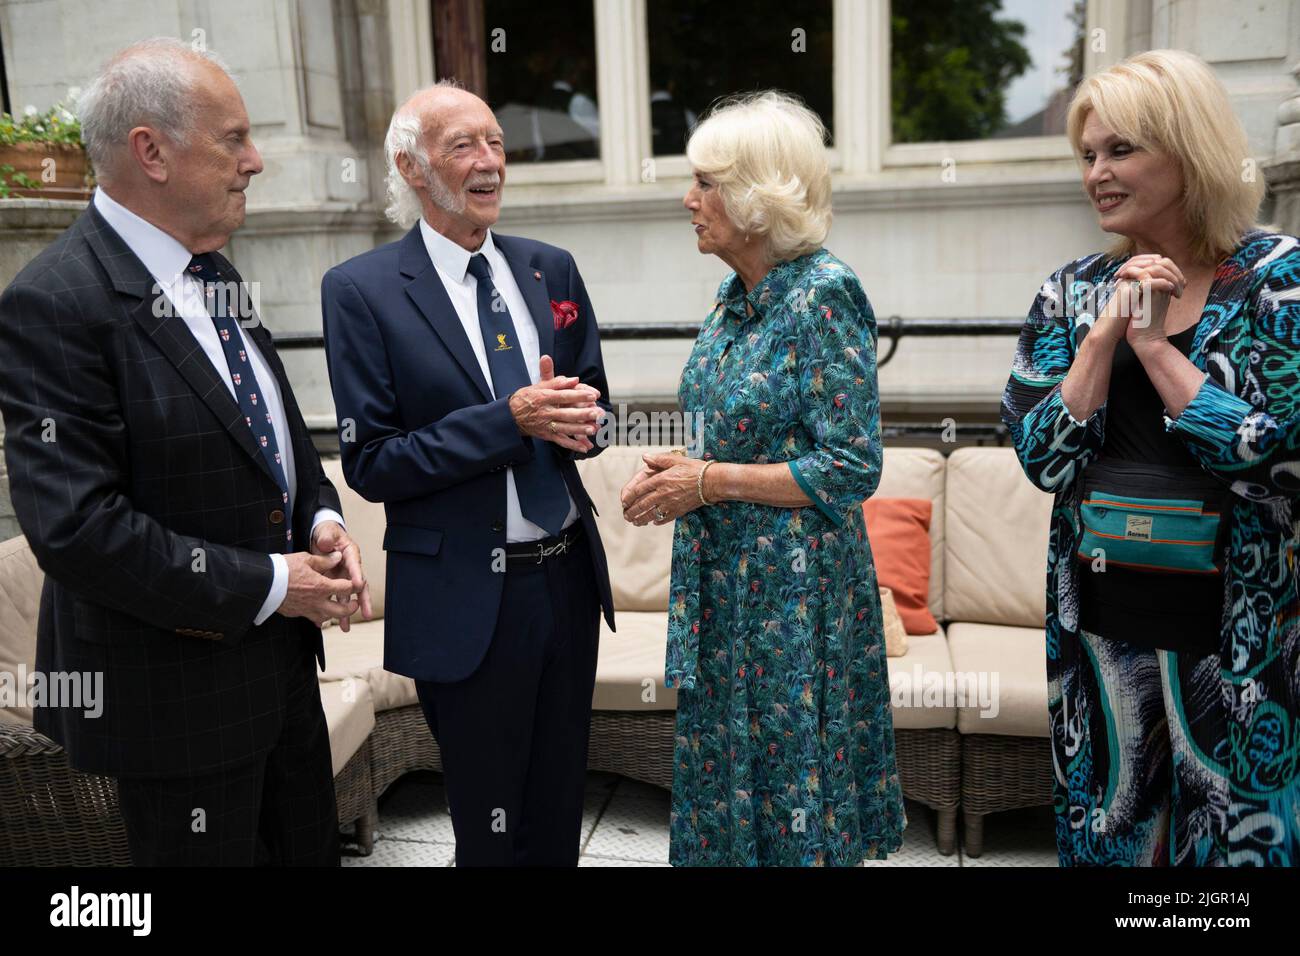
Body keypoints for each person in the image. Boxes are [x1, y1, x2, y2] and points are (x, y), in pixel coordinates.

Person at [0, 38, 372, 866]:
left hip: (279, 681)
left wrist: (317, 516)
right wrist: (278, 583)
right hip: (171, 708)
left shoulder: (212, 269)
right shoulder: (55, 303)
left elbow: (269, 430)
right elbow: (77, 529)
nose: (257, 160)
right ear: (151, 152)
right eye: (234, 139)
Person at [1001, 49, 1300, 866]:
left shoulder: (1278, 282)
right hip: (1102, 631)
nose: (1097, 172)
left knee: (1233, 855)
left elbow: (1277, 458)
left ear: (1189, 147)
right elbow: (1039, 457)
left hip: (1242, 640)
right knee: (1111, 834)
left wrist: (1155, 347)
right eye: (1088, 155)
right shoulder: (1068, 292)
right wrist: (1102, 337)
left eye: (1121, 150)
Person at [321, 81, 615, 866]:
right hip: (466, 598)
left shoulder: (552, 270)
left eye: (496, 143)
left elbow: (597, 407)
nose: (490, 163)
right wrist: (508, 420)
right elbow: (373, 461)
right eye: (464, 147)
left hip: (567, 583)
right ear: (412, 168)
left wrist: (584, 424)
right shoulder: (361, 292)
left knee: (557, 809)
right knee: (489, 824)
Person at [620, 91, 905, 866]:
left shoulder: (823, 294)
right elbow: (741, 439)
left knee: (791, 796)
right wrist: (686, 468)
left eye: (707, 182)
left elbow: (850, 467)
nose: (689, 200)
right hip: (724, 588)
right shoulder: (730, 300)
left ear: (757, 194)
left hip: (794, 595)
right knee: (727, 789)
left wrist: (708, 481)